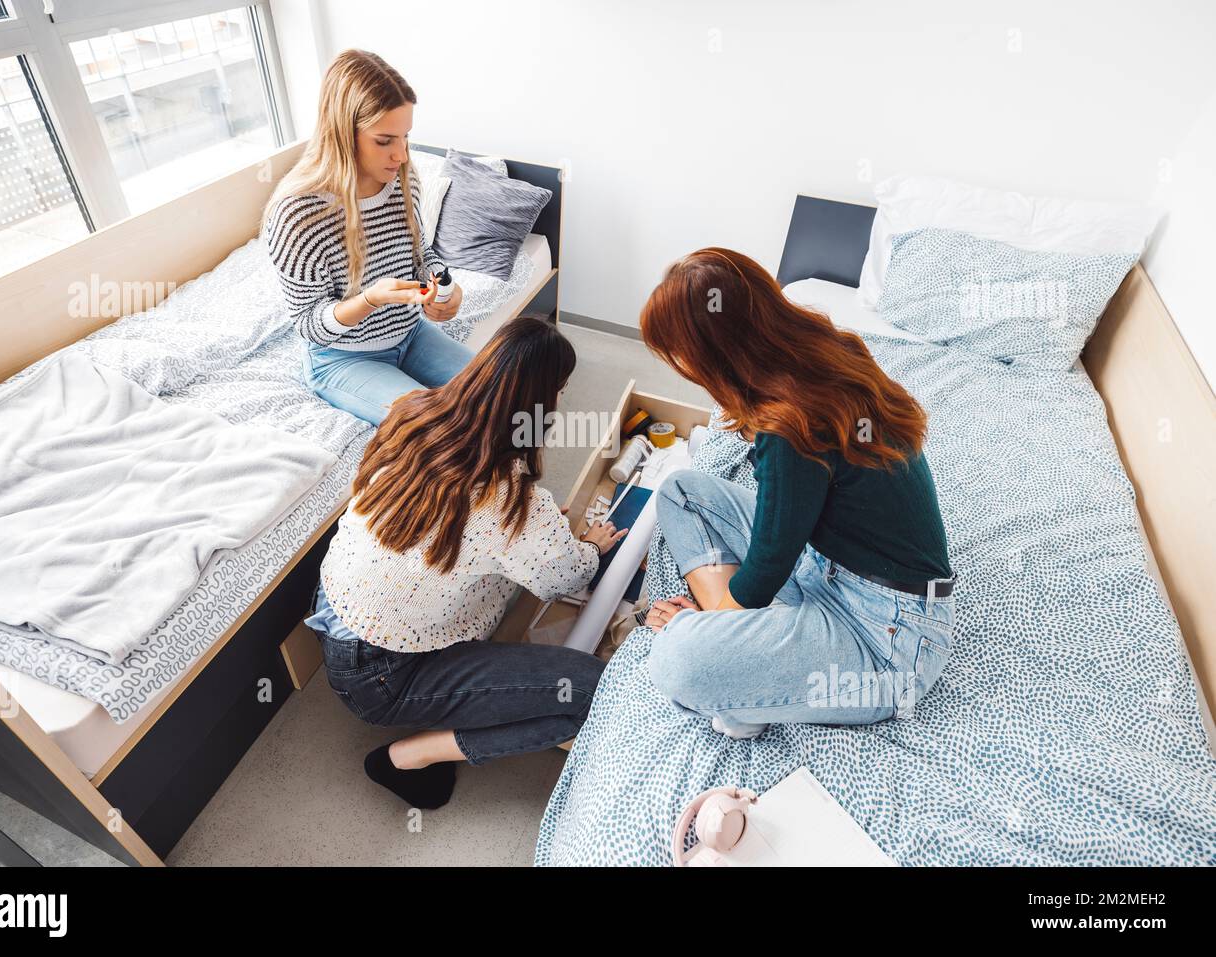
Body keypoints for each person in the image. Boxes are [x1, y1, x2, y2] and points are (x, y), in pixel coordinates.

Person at [306, 316, 627, 808]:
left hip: (336, 608)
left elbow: (459, 533)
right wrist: (589, 545)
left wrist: (531, 536)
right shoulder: (511, 499)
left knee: (497, 562)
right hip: (381, 677)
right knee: (588, 691)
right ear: (540, 403)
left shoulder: (411, 413)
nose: (562, 402)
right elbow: (566, 577)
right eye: (559, 391)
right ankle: (409, 757)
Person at [639, 248, 955, 738]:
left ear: (713, 355)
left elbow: (768, 563)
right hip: (824, 565)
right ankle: (744, 643)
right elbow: (781, 541)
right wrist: (725, 616)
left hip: (887, 641)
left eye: (684, 357)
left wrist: (704, 625)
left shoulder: (790, 425)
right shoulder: (829, 348)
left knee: (675, 660)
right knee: (682, 491)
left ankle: (739, 674)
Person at [263, 49, 471, 425]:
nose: (402, 155)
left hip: (411, 333)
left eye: (406, 137)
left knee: (496, 392)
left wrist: (443, 287)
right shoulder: (297, 215)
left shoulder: (401, 182)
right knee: (435, 428)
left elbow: (421, 253)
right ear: (343, 134)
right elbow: (309, 324)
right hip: (343, 358)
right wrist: (369, 300)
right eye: (384, 140)